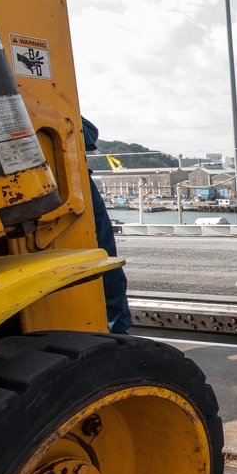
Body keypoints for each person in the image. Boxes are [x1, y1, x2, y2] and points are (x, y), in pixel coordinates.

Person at [82, 117, 132, 334]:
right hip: (73, 184)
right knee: (103, 258)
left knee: (103, 259)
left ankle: (114, 326)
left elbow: (88, 133)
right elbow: (88, 133)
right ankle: (116, 327)